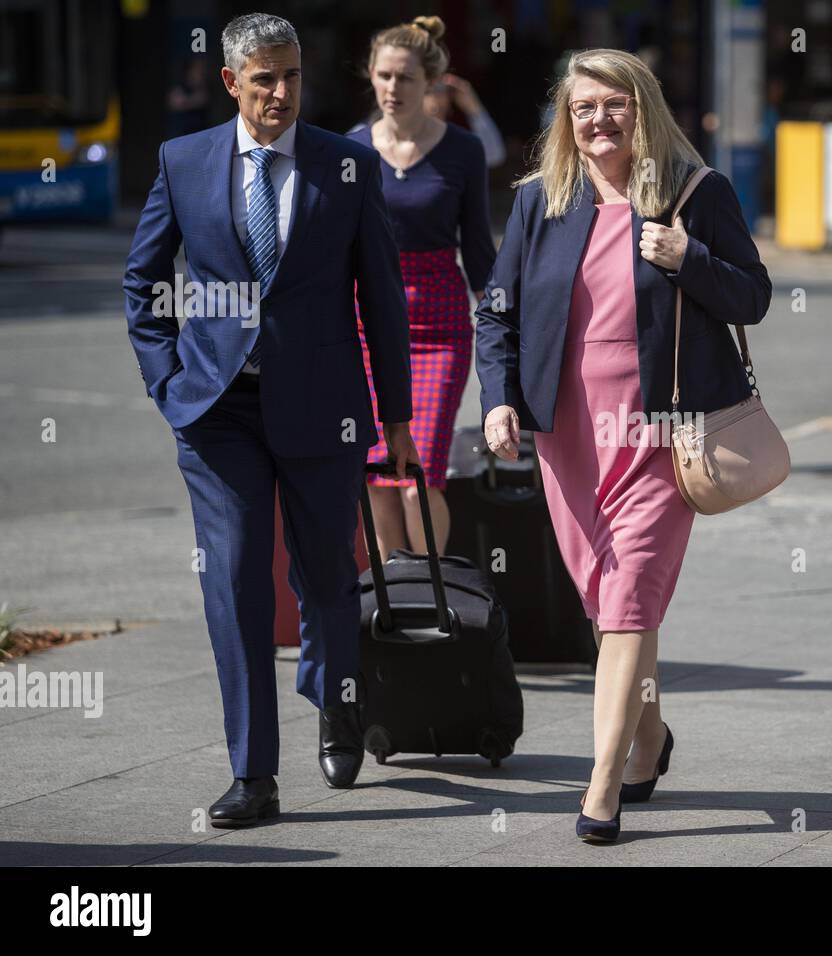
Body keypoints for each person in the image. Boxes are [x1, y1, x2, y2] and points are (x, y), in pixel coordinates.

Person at [123, 13, 416, 827]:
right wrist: (167, 382)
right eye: (265, 79)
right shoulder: (182, 162)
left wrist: (396, 417)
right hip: (217, 414)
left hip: (325, 411)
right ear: (231, 83)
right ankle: (253, 774)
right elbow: (143, 282)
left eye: (291, 76)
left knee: (325, 577)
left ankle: (336, 701)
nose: (282, 92)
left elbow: (382, 301)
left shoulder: (347, 167)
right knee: (236, 579)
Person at [475, 49, 771, 843]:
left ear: (643, 107)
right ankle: (647, 741)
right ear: (565, 122)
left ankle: (599, 789)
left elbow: (753, 295)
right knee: (609, 610)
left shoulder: (694, 194)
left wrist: (688, 259)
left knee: (631, 593)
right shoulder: (543, 200)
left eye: (614, 105)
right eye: (582, 109)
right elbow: (497, 314)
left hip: (660, 433)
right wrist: (499, 401)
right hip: (568, 434)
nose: (598, 121)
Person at [349, 16, 494, 559]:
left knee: (421, 473)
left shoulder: (462, 151)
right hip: (366, 320)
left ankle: (435, 593)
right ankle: (394, 597)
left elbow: (479, 249)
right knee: (377, 473)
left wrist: (506, 323)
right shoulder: (350, 151)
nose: (392, 88)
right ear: (370, 75)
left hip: (441, 322)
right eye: (383, 76)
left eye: (405, 78)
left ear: (430, 81)